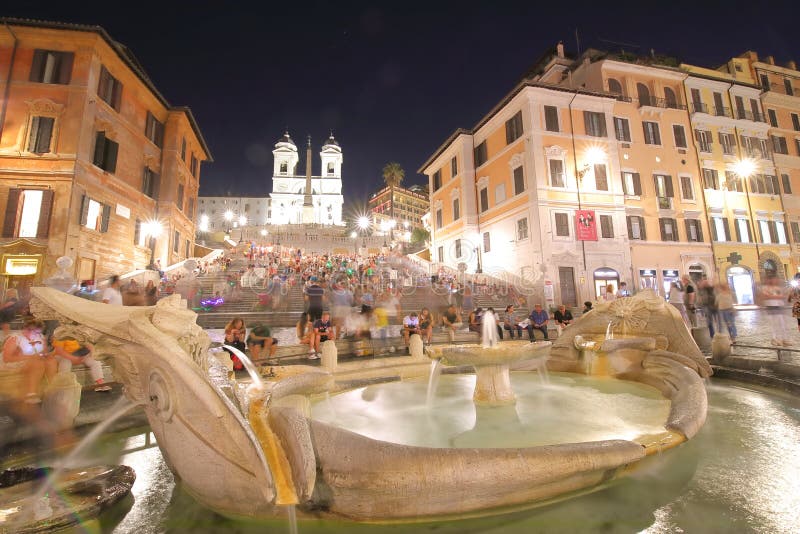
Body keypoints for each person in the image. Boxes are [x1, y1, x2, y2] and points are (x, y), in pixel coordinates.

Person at [1, 318, 56, 403]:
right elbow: (6, 358)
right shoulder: (15, 338)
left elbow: (44, 352)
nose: (37, 335)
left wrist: (45, 355)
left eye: (39, 332)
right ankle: (31, 394)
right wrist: (30, 357)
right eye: (35, 332)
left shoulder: (40, 337)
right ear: (26, 329)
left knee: (51, 361)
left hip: (35, 359)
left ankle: (50, 388)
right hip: (15, 362)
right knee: (37, 363)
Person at [760, 276, 789, 346]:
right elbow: (765, 297)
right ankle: (774, 339)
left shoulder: (777, 288)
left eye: (777, 280)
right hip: (771, 307)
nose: (776, 281)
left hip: (778, 306)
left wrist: (773, 296)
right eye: (774, 280)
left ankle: (784, 339)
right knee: (773, 324)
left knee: (782, 323)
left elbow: (782, 296)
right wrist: (777, 297)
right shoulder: (765, 288)